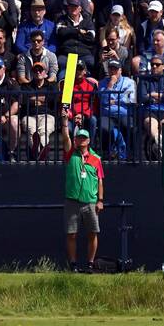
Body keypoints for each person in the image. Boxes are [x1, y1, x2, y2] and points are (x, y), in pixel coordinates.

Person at [60, 110, 103, 273]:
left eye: (84, 138)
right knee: (71, 234)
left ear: (89, 140)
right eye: (79, 137)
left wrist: (100, 200)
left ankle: (90, 264)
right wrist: (65, 122)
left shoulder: (96, 158)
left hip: (90, 201)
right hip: (72, 200)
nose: (81, 140)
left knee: (93, 232)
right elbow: (65, 137)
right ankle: (73, 264)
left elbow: (100, 180)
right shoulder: (71, 153)